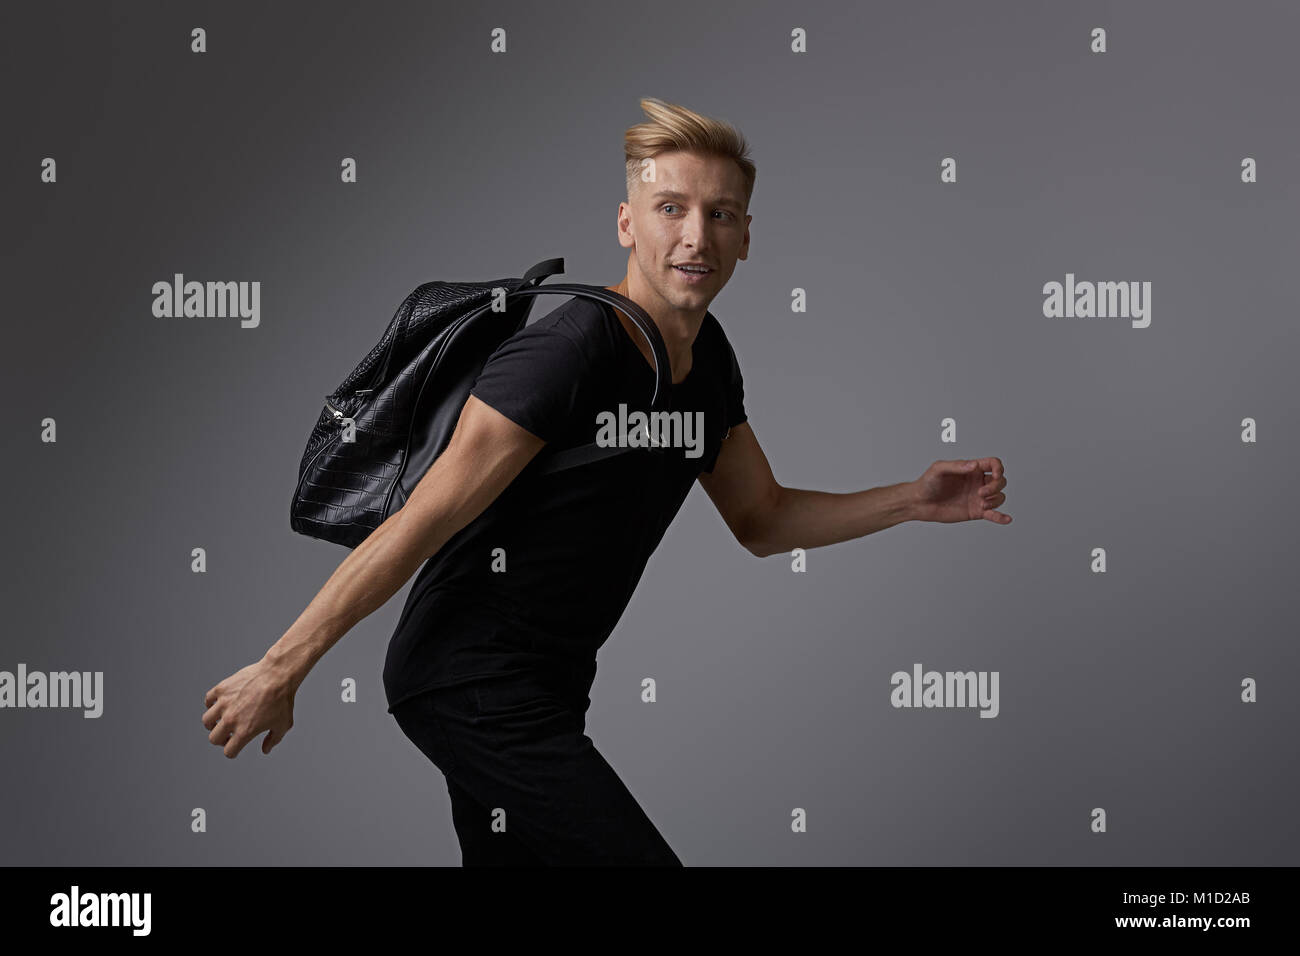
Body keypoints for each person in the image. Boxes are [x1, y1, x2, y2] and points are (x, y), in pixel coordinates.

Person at [202, 97, 1012, 866]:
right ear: (627, 223)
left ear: (746, 237)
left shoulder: (710, 363)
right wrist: (282, 667)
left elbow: (762, 519)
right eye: (671, 209)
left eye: (719, 214)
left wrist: (912, 500)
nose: (695, 235)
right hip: (470, 680)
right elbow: (425, 517)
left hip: (551, 686)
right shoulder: (572, 350)